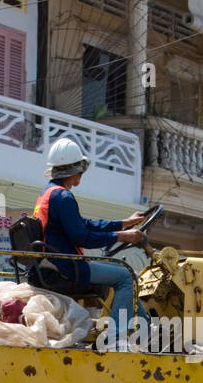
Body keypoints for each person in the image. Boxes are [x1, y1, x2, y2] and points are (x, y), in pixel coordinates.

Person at [33, 137, 146, 344]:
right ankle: (114, 337)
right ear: (74, 169)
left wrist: (122, 224)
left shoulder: (48, 194)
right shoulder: (64, 197)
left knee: (123, 277)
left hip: (54, 264)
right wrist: (122, 236)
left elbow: (83, 224)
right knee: (126, 276)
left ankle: (147, 327)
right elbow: (82, 237)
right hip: (68, 267)